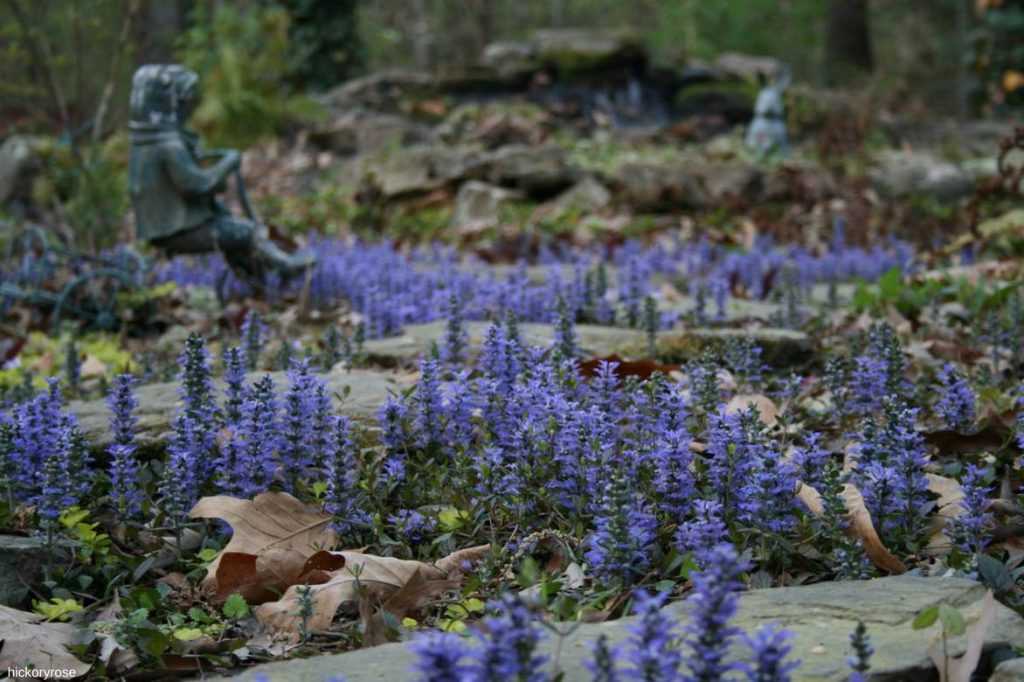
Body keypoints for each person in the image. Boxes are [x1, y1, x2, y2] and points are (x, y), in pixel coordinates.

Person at [128, 64, 313, 284]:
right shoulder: (169, 145)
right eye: (187, 102)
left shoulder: (146, 141)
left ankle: (254, 284)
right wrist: (228, 163)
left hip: (164, 228)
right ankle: (285, 267)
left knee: (231, 228)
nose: (191, 108)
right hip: (179, 231)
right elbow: (197, 184)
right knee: (247, 232)